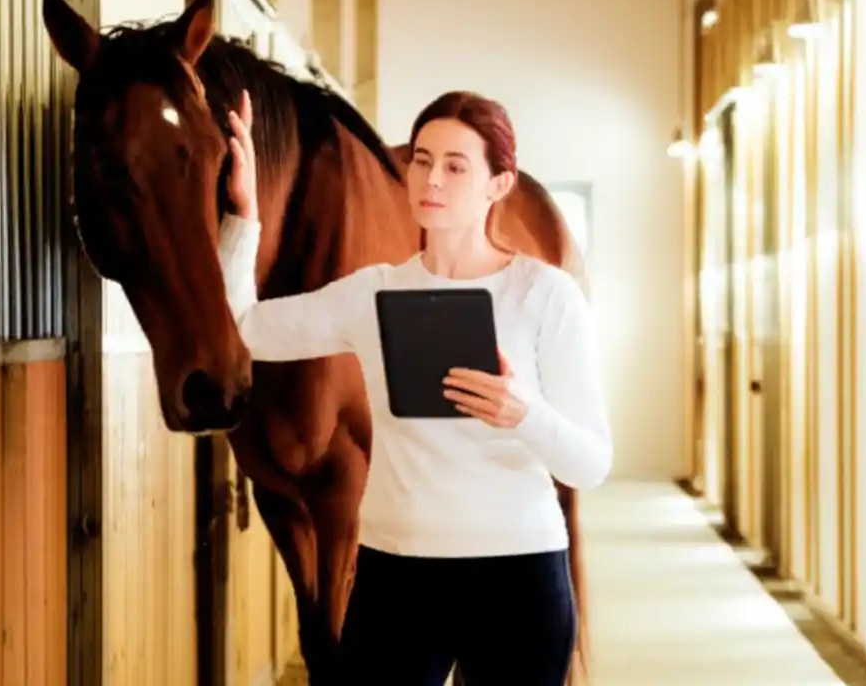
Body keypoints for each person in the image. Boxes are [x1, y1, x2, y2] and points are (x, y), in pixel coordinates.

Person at [218, 88, 613, 685]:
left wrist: (523, 413)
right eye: (422, 160)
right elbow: (246, 330)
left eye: (456, 166)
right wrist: (242, 215)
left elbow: (591, 463)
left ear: (497, 185)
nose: (431, 178)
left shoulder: (544, 294)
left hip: (519, 575)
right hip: (394, 574)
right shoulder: (372, 293)